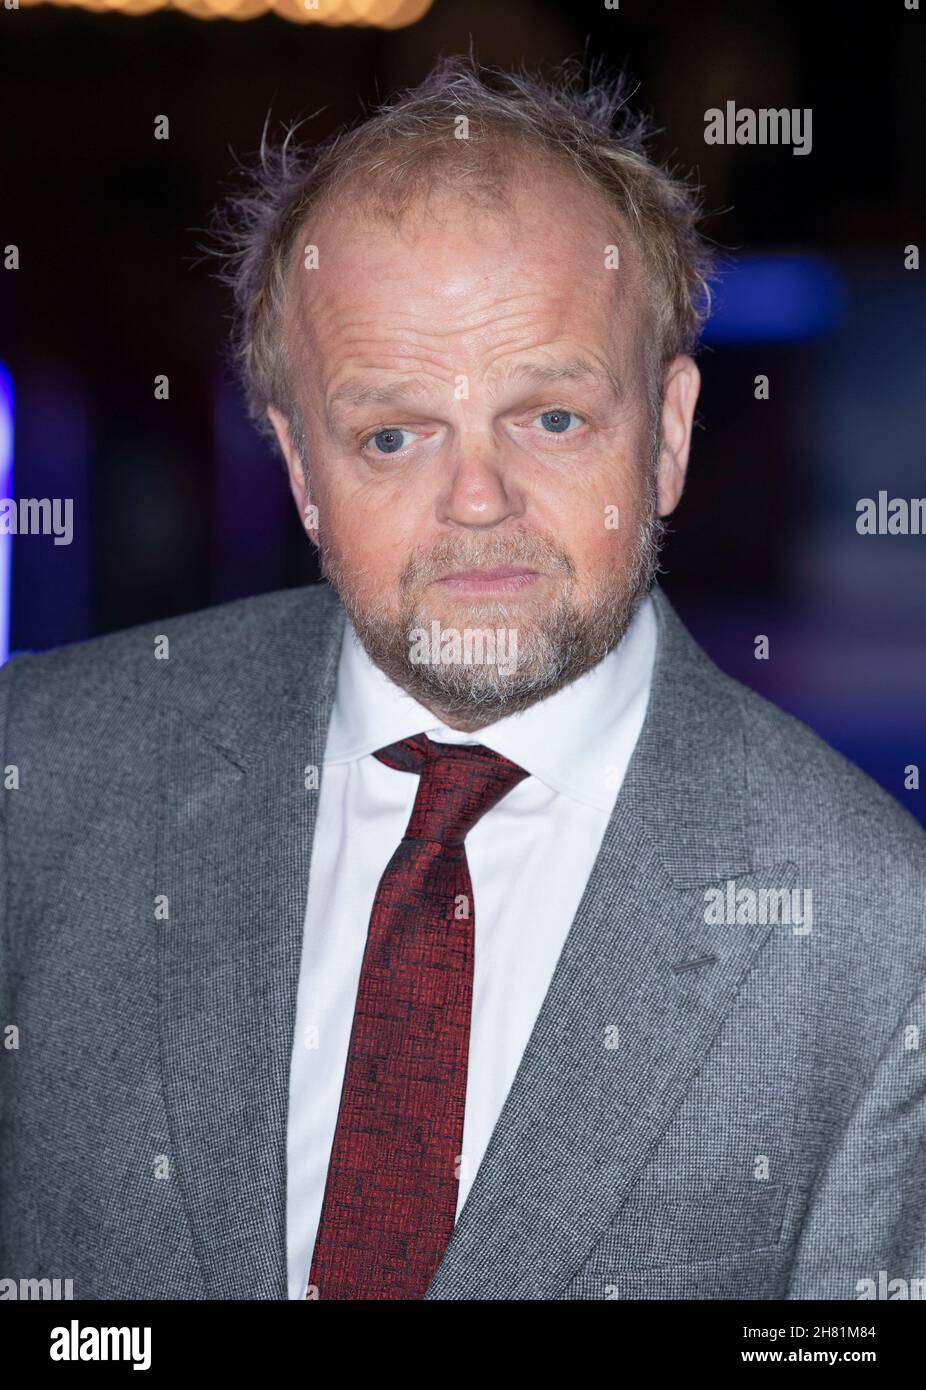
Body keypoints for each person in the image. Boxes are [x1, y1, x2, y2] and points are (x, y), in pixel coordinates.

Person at [1, 54, 924, 1302]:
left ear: (667, 433)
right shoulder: (38, 779)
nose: (475, 498)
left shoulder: (875, 930)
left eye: (548, 417)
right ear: (296, 466)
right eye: (392, 434)